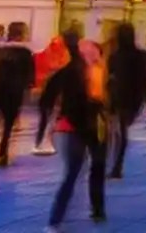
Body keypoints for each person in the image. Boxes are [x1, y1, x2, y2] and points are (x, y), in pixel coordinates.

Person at [42, 33, 108, 231]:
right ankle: (55, 220)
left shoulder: (103, 71)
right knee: (72, 173)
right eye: (90, 50)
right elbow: (52, 96)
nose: (94, 53)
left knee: (97, 167)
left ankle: (97, 209)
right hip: (75, 126)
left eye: (96, 50)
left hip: (96, 125)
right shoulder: (71, 72)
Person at [0, 21, 36, 167]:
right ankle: (2, 151)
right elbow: (29, 74)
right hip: (14, 90)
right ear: (22, 34)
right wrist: (29, 88)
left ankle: (0, 150)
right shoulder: (25, 53)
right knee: (8, 123)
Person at [105, 22, 146, 179]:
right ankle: (117, 165)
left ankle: (114, 165)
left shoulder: (115, 56)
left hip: (117, 97)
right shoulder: (139, 56)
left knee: (115, 133)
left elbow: (110, 77)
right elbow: (142, 80)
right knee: (121, 133)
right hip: (130, 98)